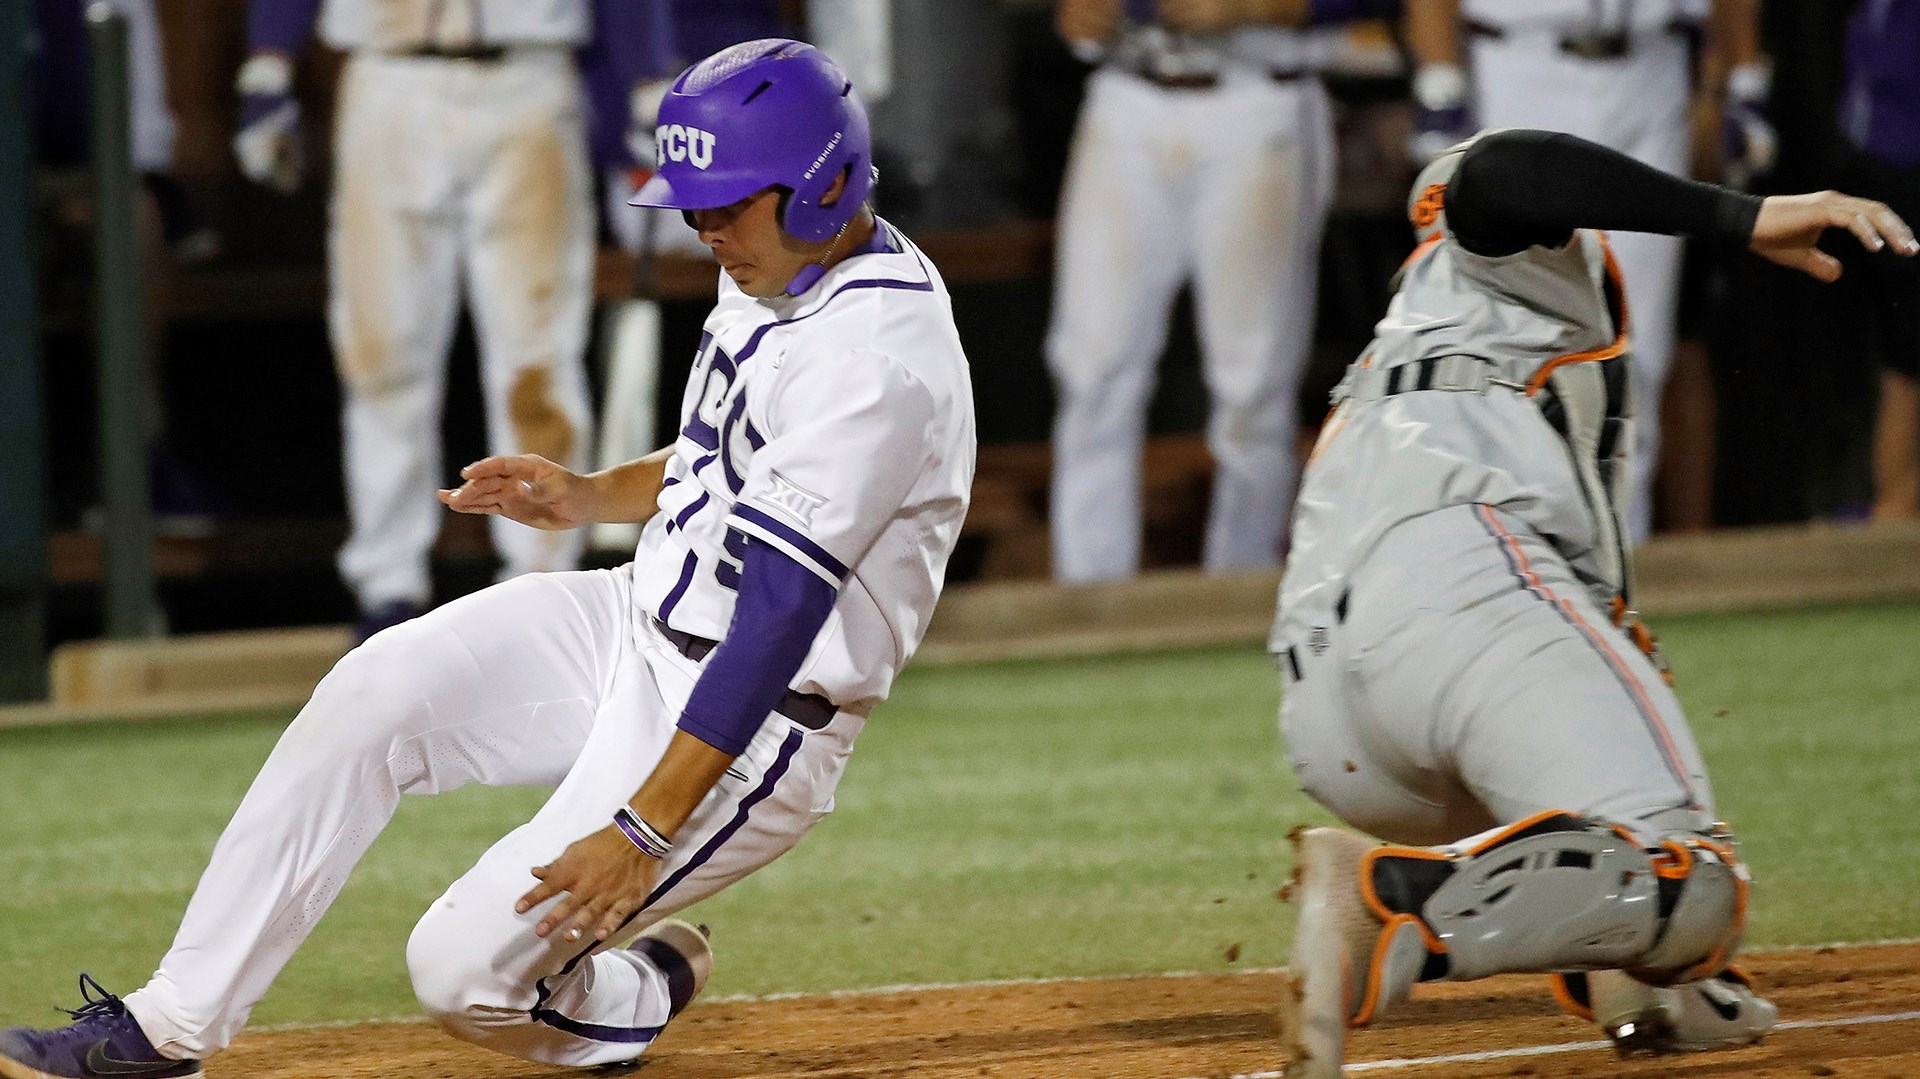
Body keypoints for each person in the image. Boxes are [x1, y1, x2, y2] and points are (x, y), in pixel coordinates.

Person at [0, 40, 975, 1079]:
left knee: (459, 973)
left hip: (755, 718)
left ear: (826, 182)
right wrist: (593, 493)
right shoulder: (786, 256)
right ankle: (169, 1027)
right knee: (372, 690)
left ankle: (636, 988)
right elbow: (730, 452)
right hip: (632, 617)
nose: (706, 229)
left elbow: (775, 619)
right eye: (695, 208)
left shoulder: (873, 361)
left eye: (726, 206)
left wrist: (643, 829)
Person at [1269, 128, 1915, 1077]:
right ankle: (1385, 903)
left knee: (1601, 830)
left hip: (1336, 716)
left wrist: (1652, 973)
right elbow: (1505, 174)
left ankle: (1646, 988)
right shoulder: (1501, 266)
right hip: (1460, 582)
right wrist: (1744, 217)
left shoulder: (1418, 356)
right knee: (1700, 886)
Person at [230, 0, 675, 641]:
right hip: (390, 76)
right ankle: (388, 587)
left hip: (531, 77)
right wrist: (268, 63)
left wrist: (646, 78)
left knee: (538, 351)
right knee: (381, 353)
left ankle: (538, 582)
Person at [1046, 0, 1395, 585]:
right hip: (1129, 97)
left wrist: (1251, 6)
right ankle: (1088, 590)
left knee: (1253, 382)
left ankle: (1244, 583)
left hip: (1260, 98)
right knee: (1092, 366)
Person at [1406, 0, 1773, 540]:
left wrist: (1741, 75)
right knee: (1515, 347)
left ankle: (1620, 570)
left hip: (1652, 74)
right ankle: (1511, 563)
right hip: (1519, 71)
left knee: (1637, 355)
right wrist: (1440, 81)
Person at [1829, 0, 1920, 522]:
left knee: (1906, 344)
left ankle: (1897, 503)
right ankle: (1894, 500)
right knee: (1894, 337)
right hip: (1878, 144)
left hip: (1906, 142)